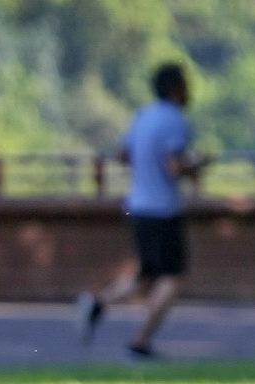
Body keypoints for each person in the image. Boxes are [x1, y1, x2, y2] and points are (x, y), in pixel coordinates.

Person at [77, 62, 211, 359]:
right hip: (163, 209)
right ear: (177, 89)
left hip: (138, 205)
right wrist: (198, 165)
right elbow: (174, 166)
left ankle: (98, 303)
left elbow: (123, 155)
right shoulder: (174, 120)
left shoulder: (143, 116)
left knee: (147, 275)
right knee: (174, 277)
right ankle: (140, 341)